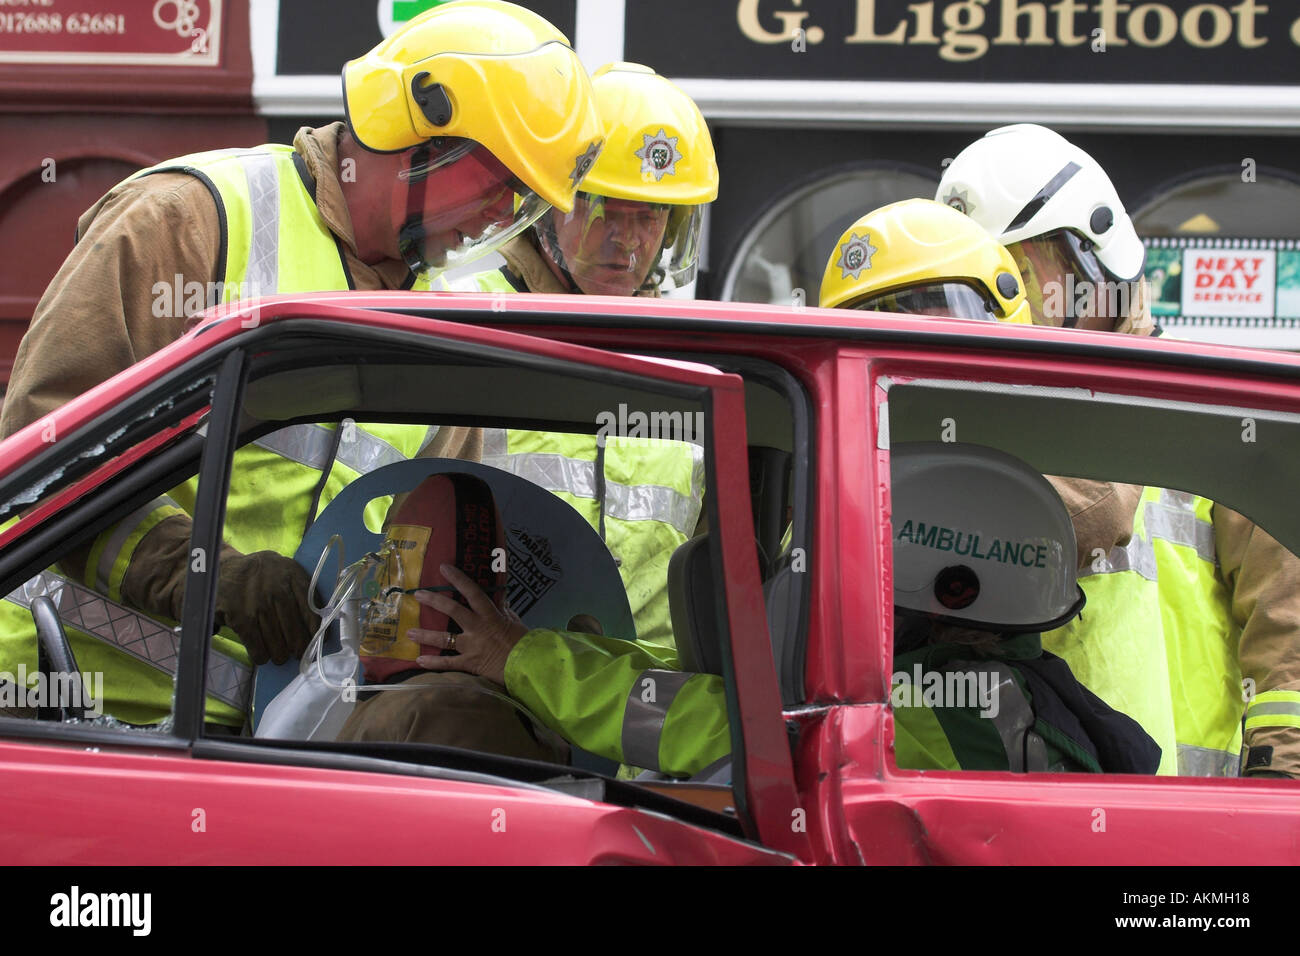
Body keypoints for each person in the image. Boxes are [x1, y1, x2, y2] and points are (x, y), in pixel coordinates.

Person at [0, 0, 603, 728]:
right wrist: (212, 582)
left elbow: (432, 524)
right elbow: (42, 472)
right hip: (79, 719)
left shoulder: (446, 309)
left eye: (523, 202)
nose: (501, 218)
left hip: (285, 746)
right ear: (424, 143)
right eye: (501, 183)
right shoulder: (188, 219)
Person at [400, 441, 1162, 779]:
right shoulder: (998, 692)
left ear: (944, 594)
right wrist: (531, 649)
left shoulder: (961, 710)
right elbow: (730, 697)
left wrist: (522, 660)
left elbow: (731, 724)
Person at [939, 124, 1300, 778]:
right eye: (984, 281)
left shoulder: (1217, 412)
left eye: (1020, 271)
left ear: (1092, 258)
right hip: (1019, 800)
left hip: (1185, 823)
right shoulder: (976, 412)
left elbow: (1288, 628)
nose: (1006, 299)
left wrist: (1280, 777)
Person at [442, 62, 719, 654]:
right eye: (605, 210)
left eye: (651, 215)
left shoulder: (698, 367)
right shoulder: (465, 328)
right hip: (487, 698)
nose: (628, 240)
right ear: (547, 208)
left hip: (647, 714)